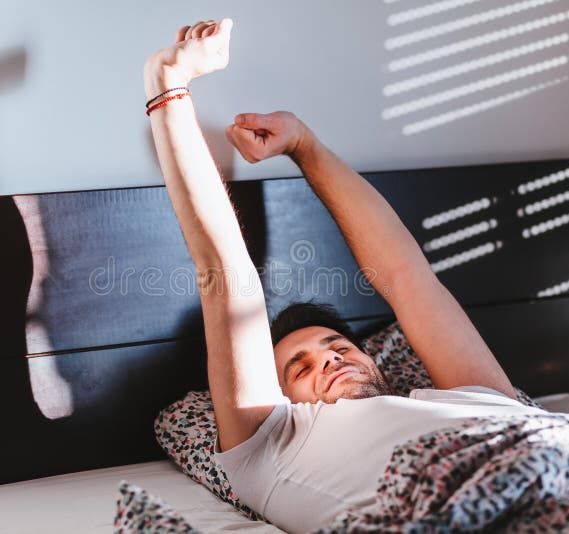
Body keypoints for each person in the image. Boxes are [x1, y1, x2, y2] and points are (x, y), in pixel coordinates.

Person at [144, 19, 546, 533]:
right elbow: (224, 270)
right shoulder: (270, 448)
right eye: (300, 369)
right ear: (281, 399)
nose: (329, 359)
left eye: (337, 346)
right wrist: (168, 82)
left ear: (373, 359)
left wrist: (304, 144)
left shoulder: (476, 396)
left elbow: (406, 275)